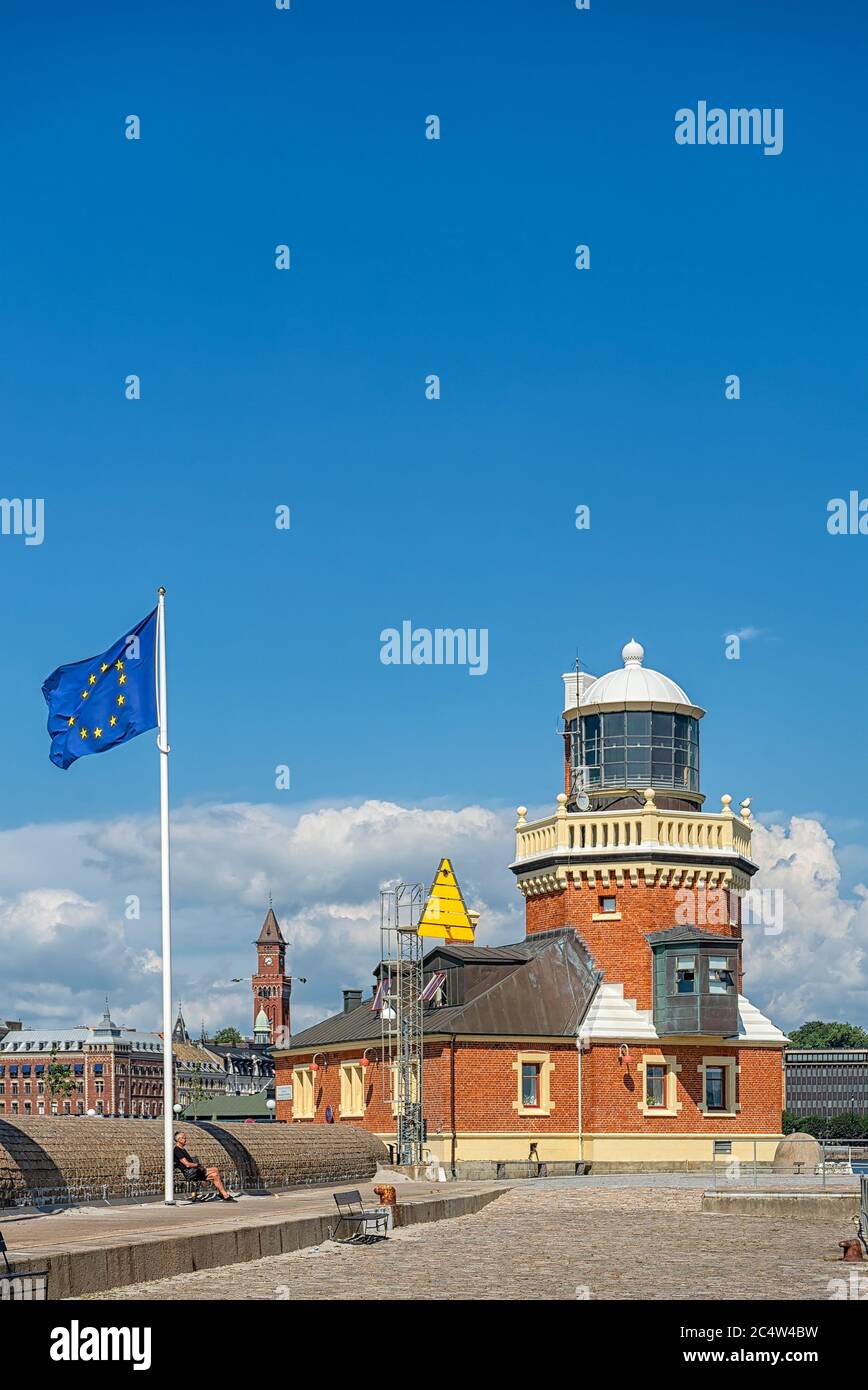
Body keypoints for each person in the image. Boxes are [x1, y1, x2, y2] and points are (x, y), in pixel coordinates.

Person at [173, 1130, 236, 1201]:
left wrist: (198, 1166)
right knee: (215, 1169)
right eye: (184, 1138)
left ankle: (224, 1194)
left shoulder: (182, 1149)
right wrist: (198, 1165)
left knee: (215, 1175)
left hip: (193, 1171)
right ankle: (223, 1194)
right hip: (190, 1173)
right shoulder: (177, 1150)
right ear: (179, 1139)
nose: (185, 1139)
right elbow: (187, 1164)